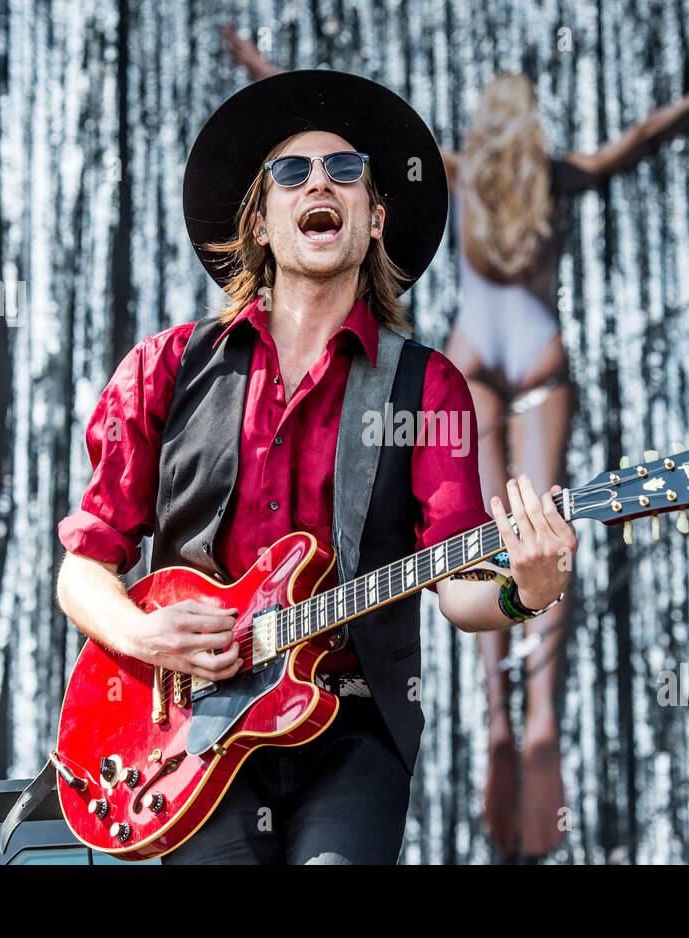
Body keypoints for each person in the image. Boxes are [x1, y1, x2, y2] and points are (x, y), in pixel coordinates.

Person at [222, 25, 689, 859]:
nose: (324, 182)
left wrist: (261, 71)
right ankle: (539, 718)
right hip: (533, 355)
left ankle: (499, 711)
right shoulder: (557, 176)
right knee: (525, 533)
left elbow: (342, 136)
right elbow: (653, 133)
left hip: (475, 353)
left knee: (481, 549)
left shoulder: (458, 174)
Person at [53, 69, 578, 864]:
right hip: (191, 731)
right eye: (291, 173)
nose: (318, 184)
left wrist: (526, 587)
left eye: (345, 172)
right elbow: (82, 570)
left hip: (350, 726)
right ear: (261, 222)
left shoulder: (426, 386)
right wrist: (147, 634)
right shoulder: (165, 367)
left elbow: (460, 583)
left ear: (374, 219)